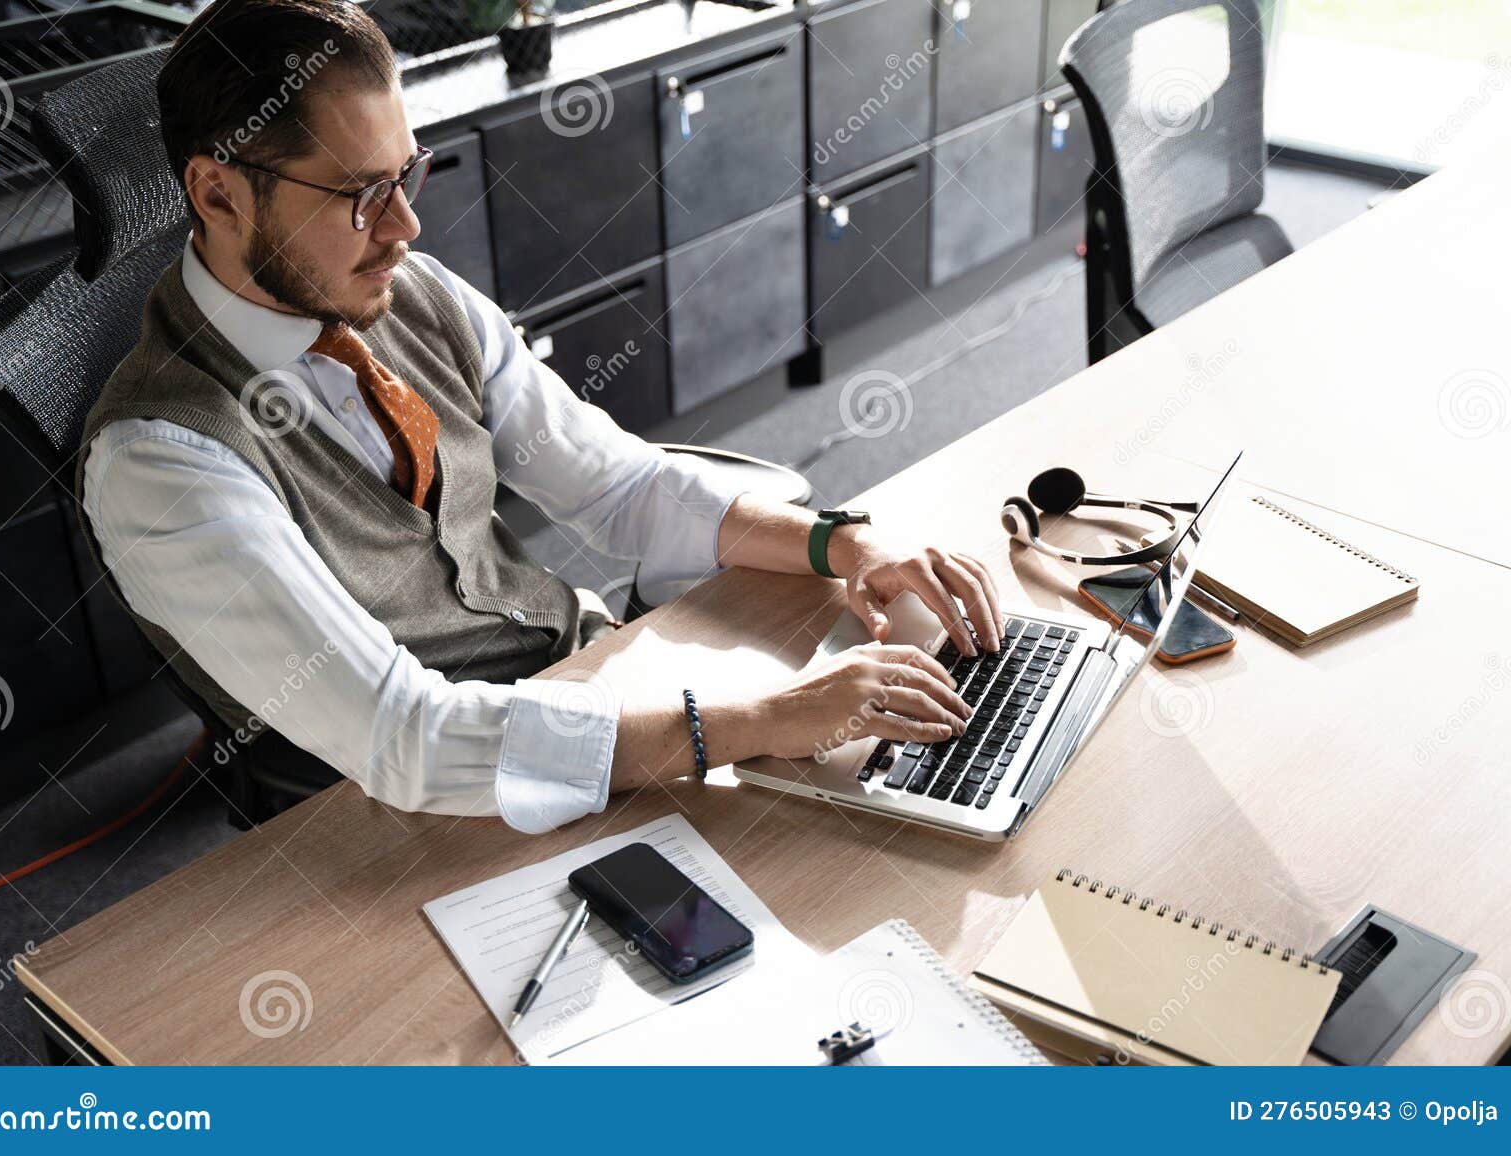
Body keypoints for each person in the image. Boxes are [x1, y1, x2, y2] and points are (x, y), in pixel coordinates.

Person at [77, 0, 1002, 833]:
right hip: (413, 820)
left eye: (409, 174)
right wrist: (761, 723)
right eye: (361, 195)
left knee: (889, 813)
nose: (405, 226)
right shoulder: (161, 460)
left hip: (582, 694)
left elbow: (621, 485)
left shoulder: (412, 294)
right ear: (218, 192)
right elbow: (408, 739)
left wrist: (843, 545)